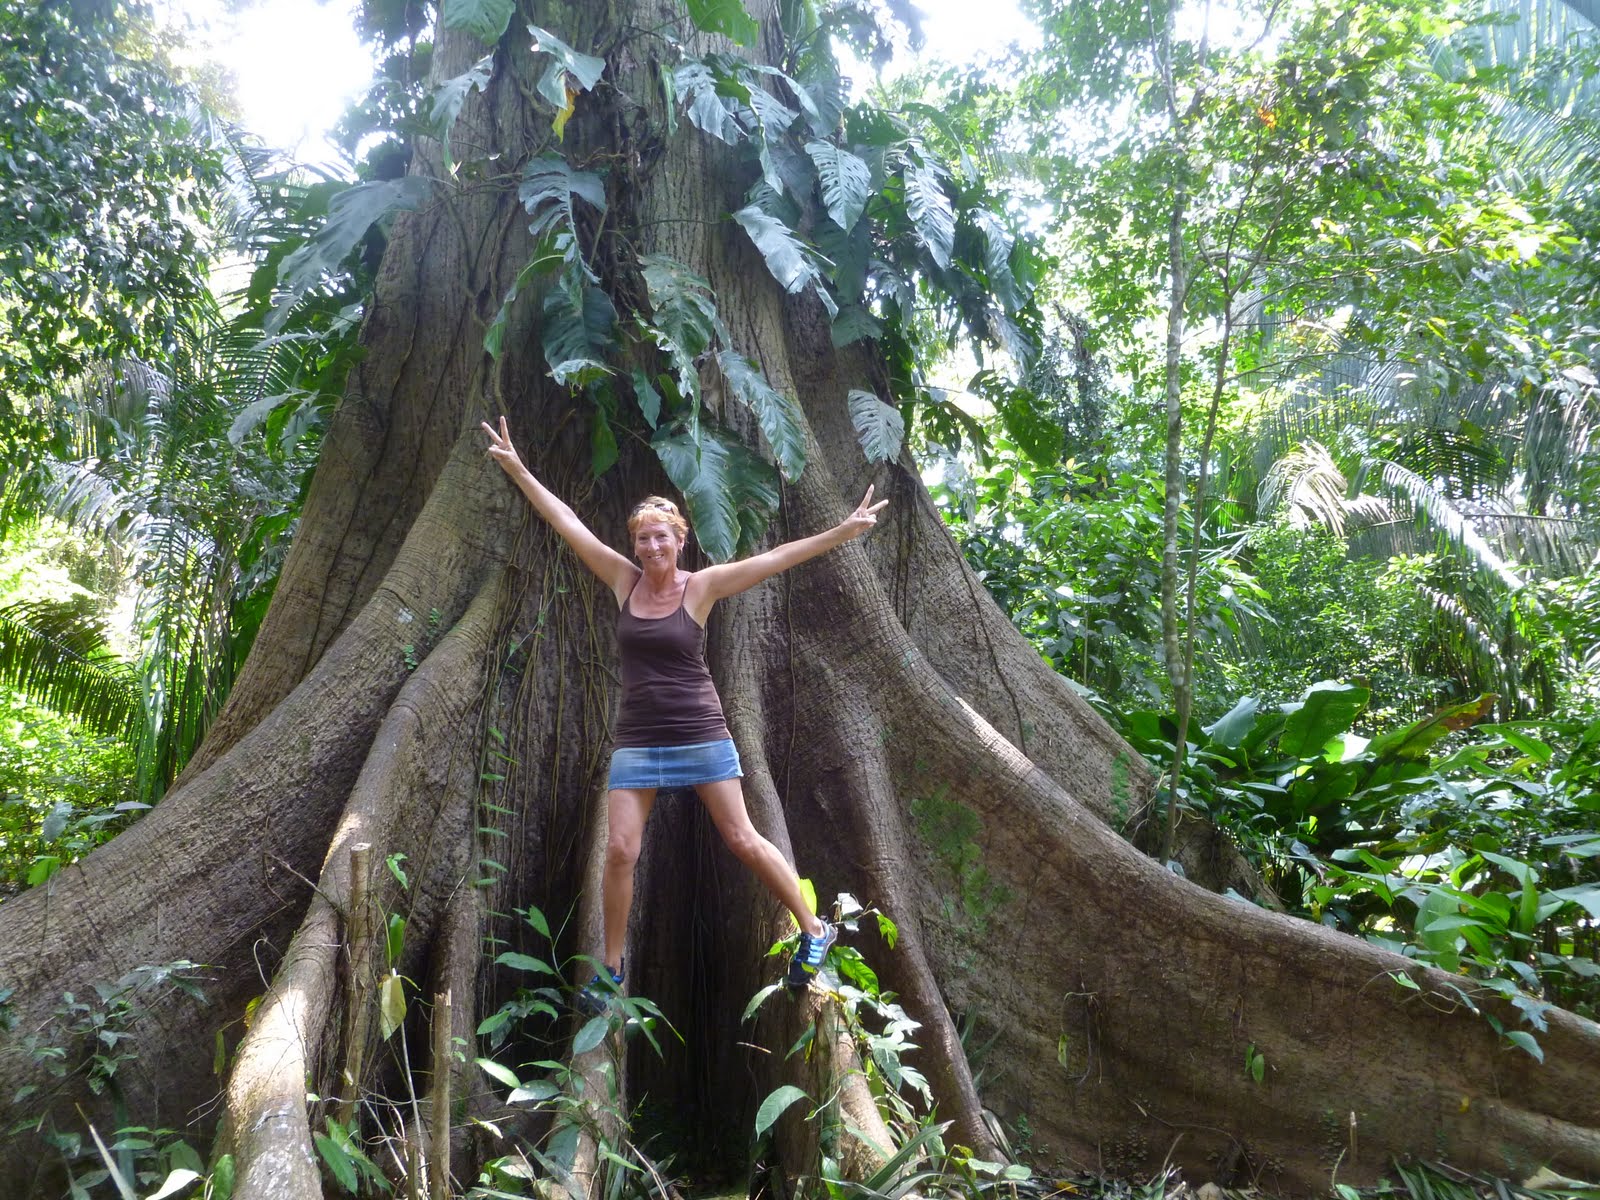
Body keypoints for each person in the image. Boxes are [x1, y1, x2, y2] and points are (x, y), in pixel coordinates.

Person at [482, 416, 888, 1008]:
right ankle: (613, 969)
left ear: (681, 540)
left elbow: (775, 558)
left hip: (699, 729)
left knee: (742, 837)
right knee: (621, 849)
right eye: (643, 538)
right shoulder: (623, 582)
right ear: (635, 543)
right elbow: (567, 522)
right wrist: (518, 468)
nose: (652, 547)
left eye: (662, 537)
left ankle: (814, 929)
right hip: (638, 737)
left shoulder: (702, 587)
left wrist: (842, 532)